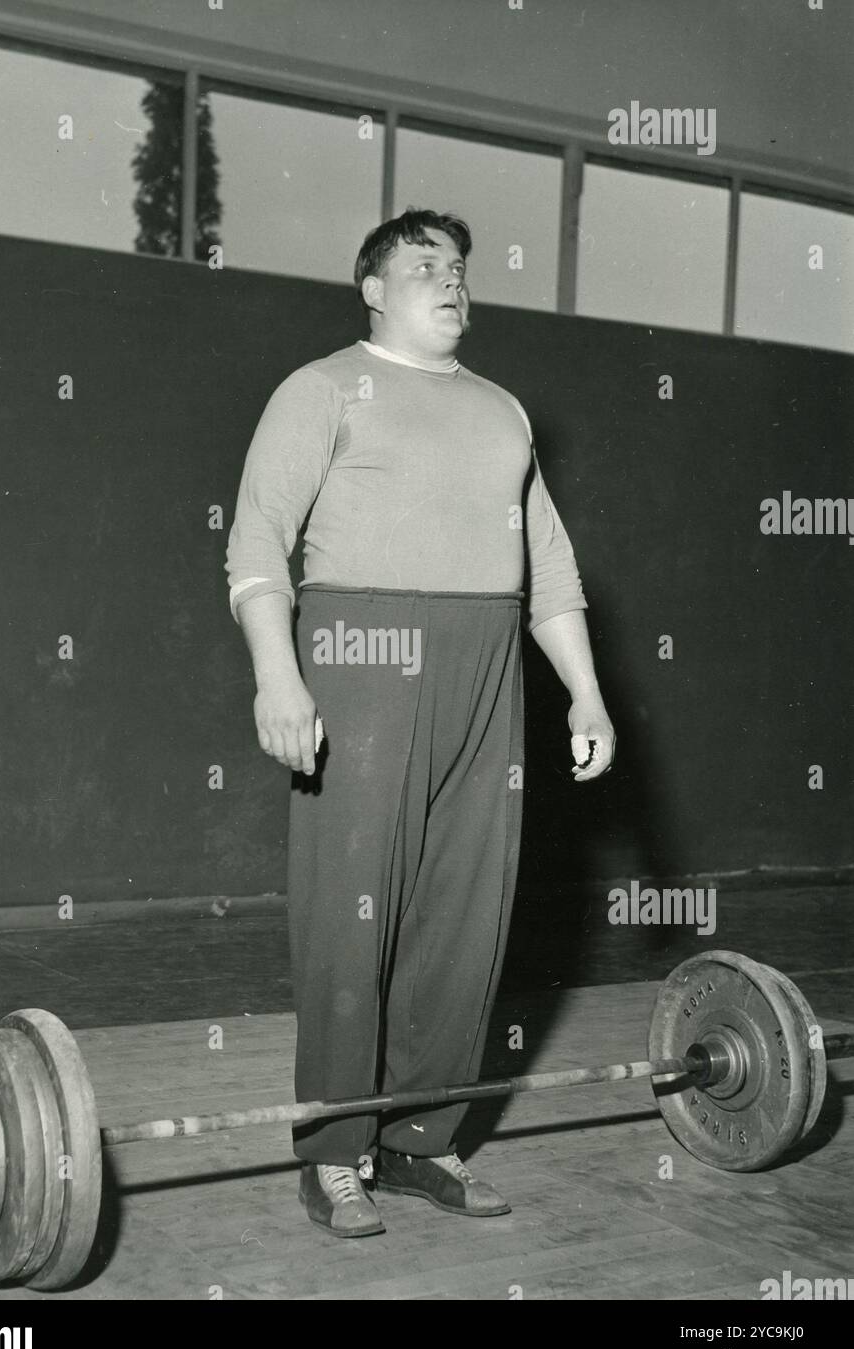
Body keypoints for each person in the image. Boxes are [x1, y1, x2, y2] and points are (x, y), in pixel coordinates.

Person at [225, 208, 615, 1238]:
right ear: (371, 287)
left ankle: (420, 1142)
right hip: (360, 660)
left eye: (459, 267)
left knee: (465, 918)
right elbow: (258, 538)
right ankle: (335, 1151)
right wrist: (280, 675)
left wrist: (583, 689)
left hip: (486, 669)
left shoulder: (502, 410)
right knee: (353, 918)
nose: (449, 281)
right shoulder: (319, 389)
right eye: (422, 266)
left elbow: (552, 571)